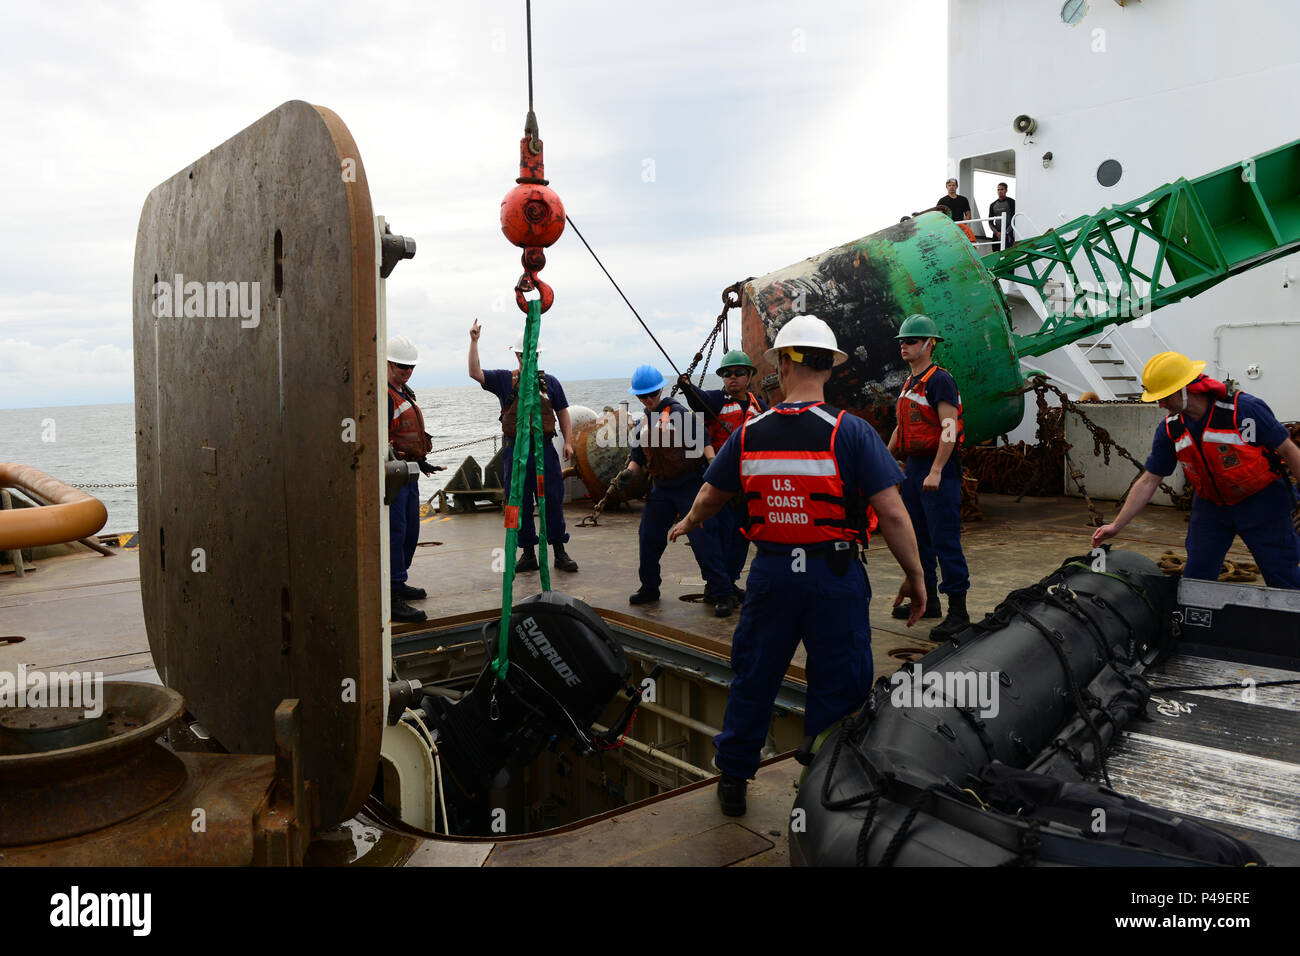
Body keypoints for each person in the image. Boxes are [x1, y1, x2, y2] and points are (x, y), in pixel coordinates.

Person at [668, 315, 926, 816]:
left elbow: (710, 495)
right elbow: (893, 513)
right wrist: (916, 577)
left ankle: (734, 779)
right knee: (840, 682)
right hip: (835, 577)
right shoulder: (852, 432)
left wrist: (687, 524)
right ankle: (822, 791)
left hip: (772, 574)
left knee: (755, 674)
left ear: (783, 363)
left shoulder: (749, 434)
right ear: (829, 367)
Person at [1091, 351, 1300, 588]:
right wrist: (1117, 525)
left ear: (1185, 388)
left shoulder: (1245, 409)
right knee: (1196, 580)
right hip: (1212, 507)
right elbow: (1150, 479)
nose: (1160, 405)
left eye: (1165, 397)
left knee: (1283, 578)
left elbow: (1289, 451)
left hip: (1263, 502)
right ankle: (1197, 623)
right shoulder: (1170, 429)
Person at [617, 364, 735, 617]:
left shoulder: (679, 414)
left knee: (704, 541)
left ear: (660, 390)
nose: (648, 400)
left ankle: (722, 593)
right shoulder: (642, 423)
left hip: (689, 486)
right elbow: (637, 458)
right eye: (642, 396)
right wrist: (629, 472)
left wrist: (714, 466)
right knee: (648, 538)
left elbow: (703, 441)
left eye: (652, 394)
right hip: (661, 489)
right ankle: (649, 587)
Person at [468, 320, 579, 573]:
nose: (529, 357)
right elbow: (475, 373)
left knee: (551, 499)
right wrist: (474, 342)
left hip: (544, 451)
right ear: (518, 355)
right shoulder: (504, 380)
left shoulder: (550, 382)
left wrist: (569, 442)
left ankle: (559, 551)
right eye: (525, 353)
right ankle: (527, 553)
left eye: (534, 354)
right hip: (515, 452)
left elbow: (563, 413)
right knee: (518, 502)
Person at [886, 314, 972, 640]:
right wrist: (887, 457)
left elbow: (949, 427)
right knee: (918, 540)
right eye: (902, 342)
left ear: (929, 344)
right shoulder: (909, 383)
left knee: (944, 539)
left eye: (911, 341)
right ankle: (929, 600)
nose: (904, 346)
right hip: (915, 468)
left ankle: (959, 612)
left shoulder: (940, 380)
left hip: (939, 468)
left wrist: (937, 470)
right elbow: (902, 426)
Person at [676, 350, 769, 597]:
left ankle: (729, 581)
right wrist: (687, 387)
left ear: (749, 375)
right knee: (717, 534)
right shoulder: (716, 401)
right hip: (721, 479)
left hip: (749, 482)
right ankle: (718, 586)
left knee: (741, 535)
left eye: (739, 372)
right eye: (727, 374)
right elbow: (699, 400)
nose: (733, 377)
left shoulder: (761, 406)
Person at [387, 335, 437, 623]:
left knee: (410, 532)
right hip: (395, 476)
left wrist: (422, 461)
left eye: (411, 368)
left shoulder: (405, 392)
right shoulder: (383, 394)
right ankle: (391, 593)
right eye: (402, 367)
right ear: (389, 364)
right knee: (396, 532)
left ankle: (399, 581)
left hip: (409, 473)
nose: (407, 372)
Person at [988, 182, 1016, 250]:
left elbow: (1014, 219)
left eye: (1002, 189)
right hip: (997, 234)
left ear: (1006, 190)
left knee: (1008, 255)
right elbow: (990, 222)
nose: (1000, 191)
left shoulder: (1012, 202)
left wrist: (1006, 232)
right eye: (998, 190)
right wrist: (997, 233)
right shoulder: (993, 205)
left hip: (1008, 234)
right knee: (995, 254)